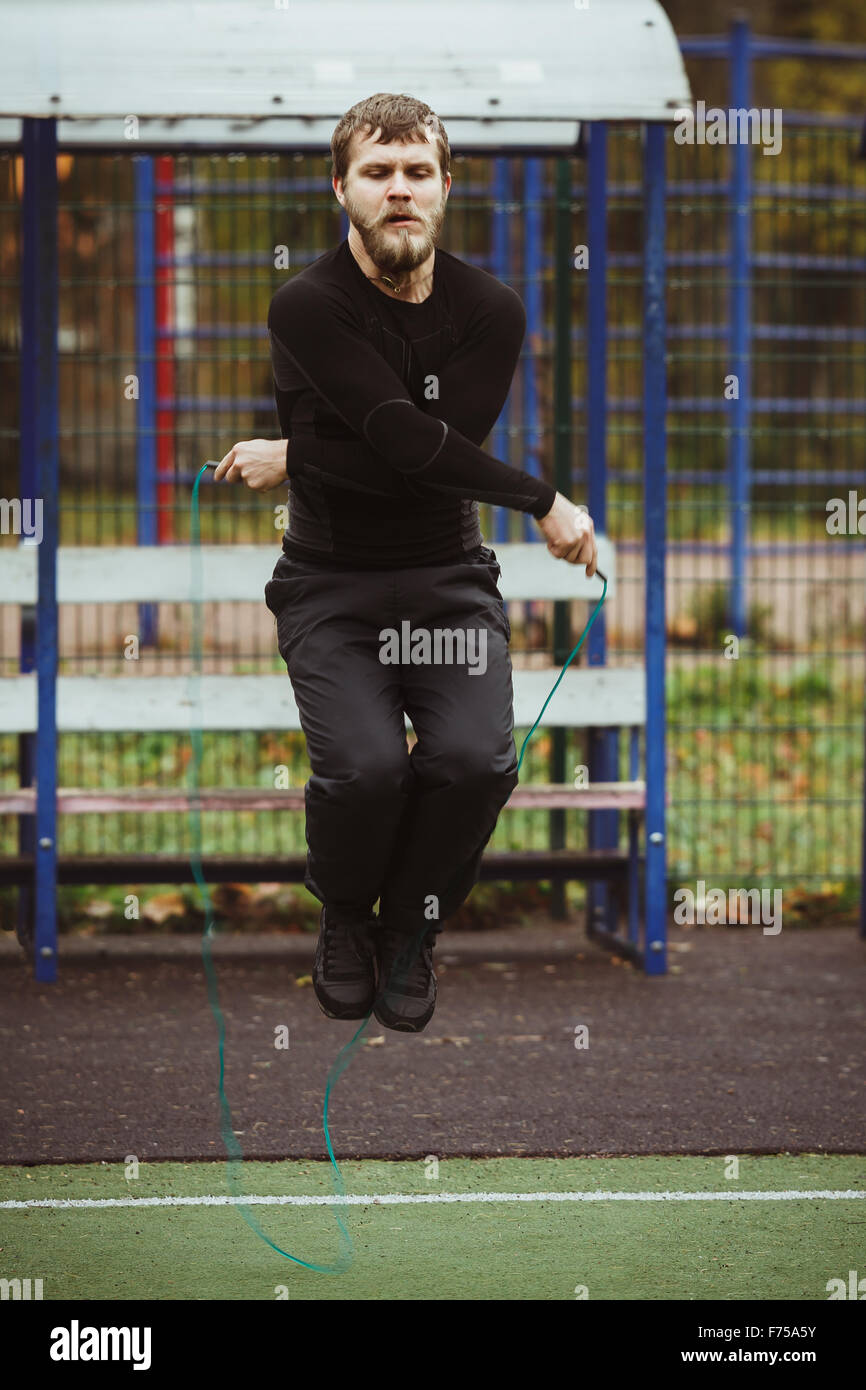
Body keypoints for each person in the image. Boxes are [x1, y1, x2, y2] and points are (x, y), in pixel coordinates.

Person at [214, 93, 597, 1034]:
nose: (398, 191)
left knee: (473, 761)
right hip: (330, 584)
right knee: (366, 772)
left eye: (416, 172)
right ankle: (345, 918)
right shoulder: (306, 304)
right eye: (377, 173)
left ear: (444, 189)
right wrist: (542, 498)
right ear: (340, 185)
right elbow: (401, 441)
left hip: (446, 581)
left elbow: (435, 448)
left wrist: (296, 454)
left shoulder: (488, 310)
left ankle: (412, 928)